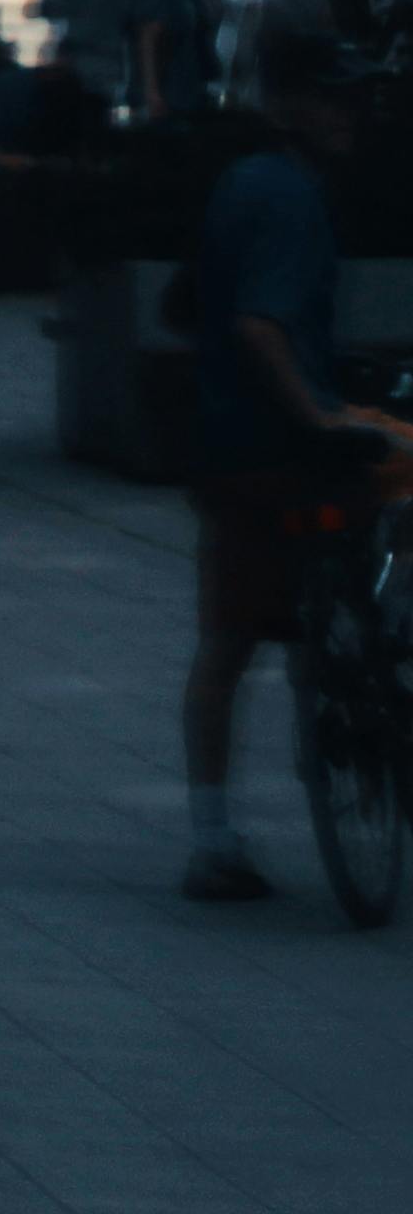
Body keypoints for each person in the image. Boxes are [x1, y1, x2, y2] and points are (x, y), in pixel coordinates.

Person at [173, 46, 413, 902]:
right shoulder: (289, 199)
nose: (352, 112)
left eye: (358, 98)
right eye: (332, 99)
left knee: (229, 645)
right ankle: (382, 649)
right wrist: (318, 412)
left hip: (230, 444)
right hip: (277, 452)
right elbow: (259, 324)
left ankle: (213, 835)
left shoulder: (251, 183)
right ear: (286, 107)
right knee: (239, 640)